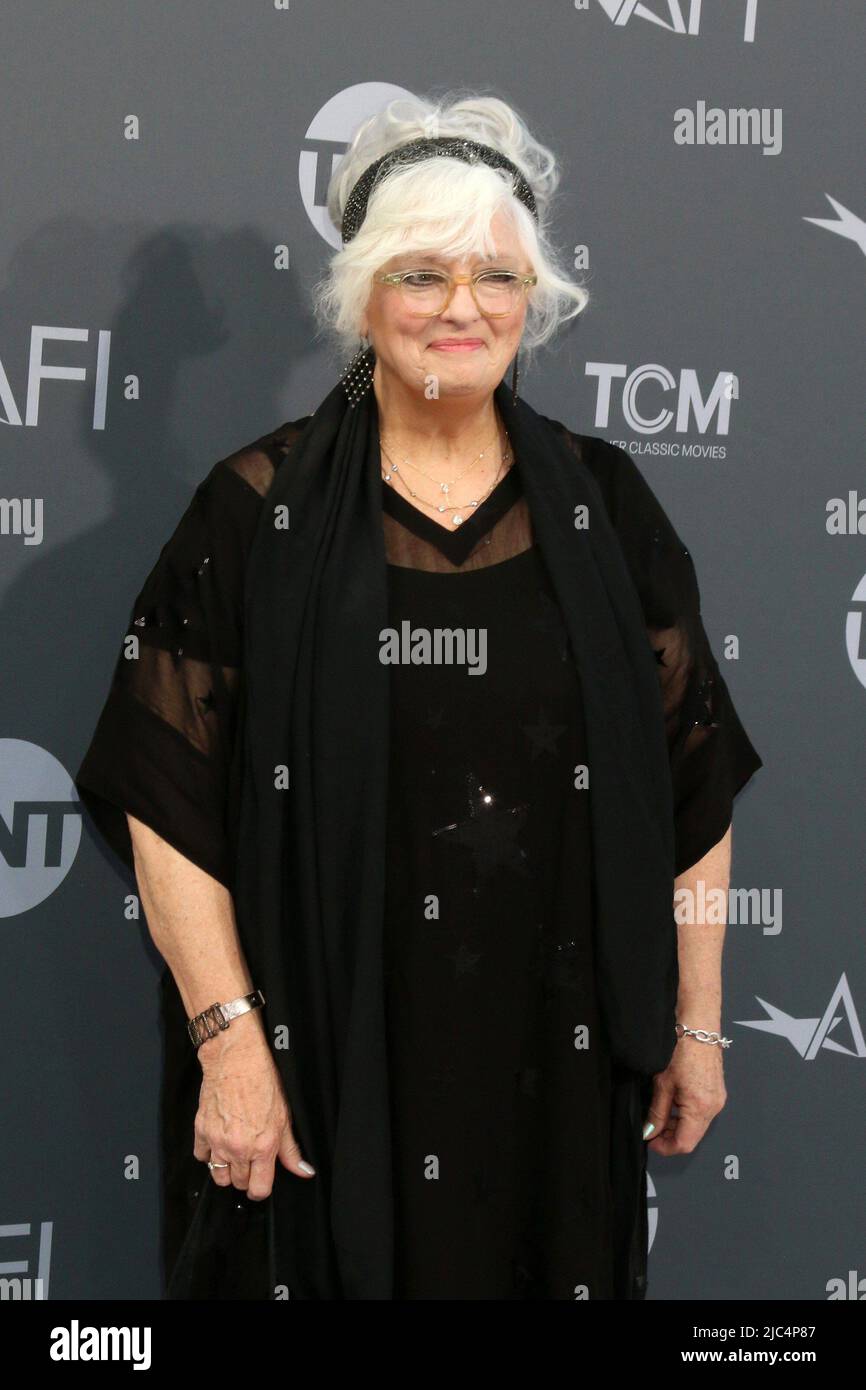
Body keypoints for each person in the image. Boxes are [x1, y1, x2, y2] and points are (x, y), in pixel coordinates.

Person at [75, 92, 763, 1300]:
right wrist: (229, 1040)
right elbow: (162, 794)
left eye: (495, 276)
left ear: (534, 299)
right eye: (422, 273)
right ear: (360, 295)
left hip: (551, 1061)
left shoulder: (605, 511)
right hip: (316, 1060)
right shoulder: (254, 513)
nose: (462, 308)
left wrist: (697, 1029)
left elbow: (690, 777)